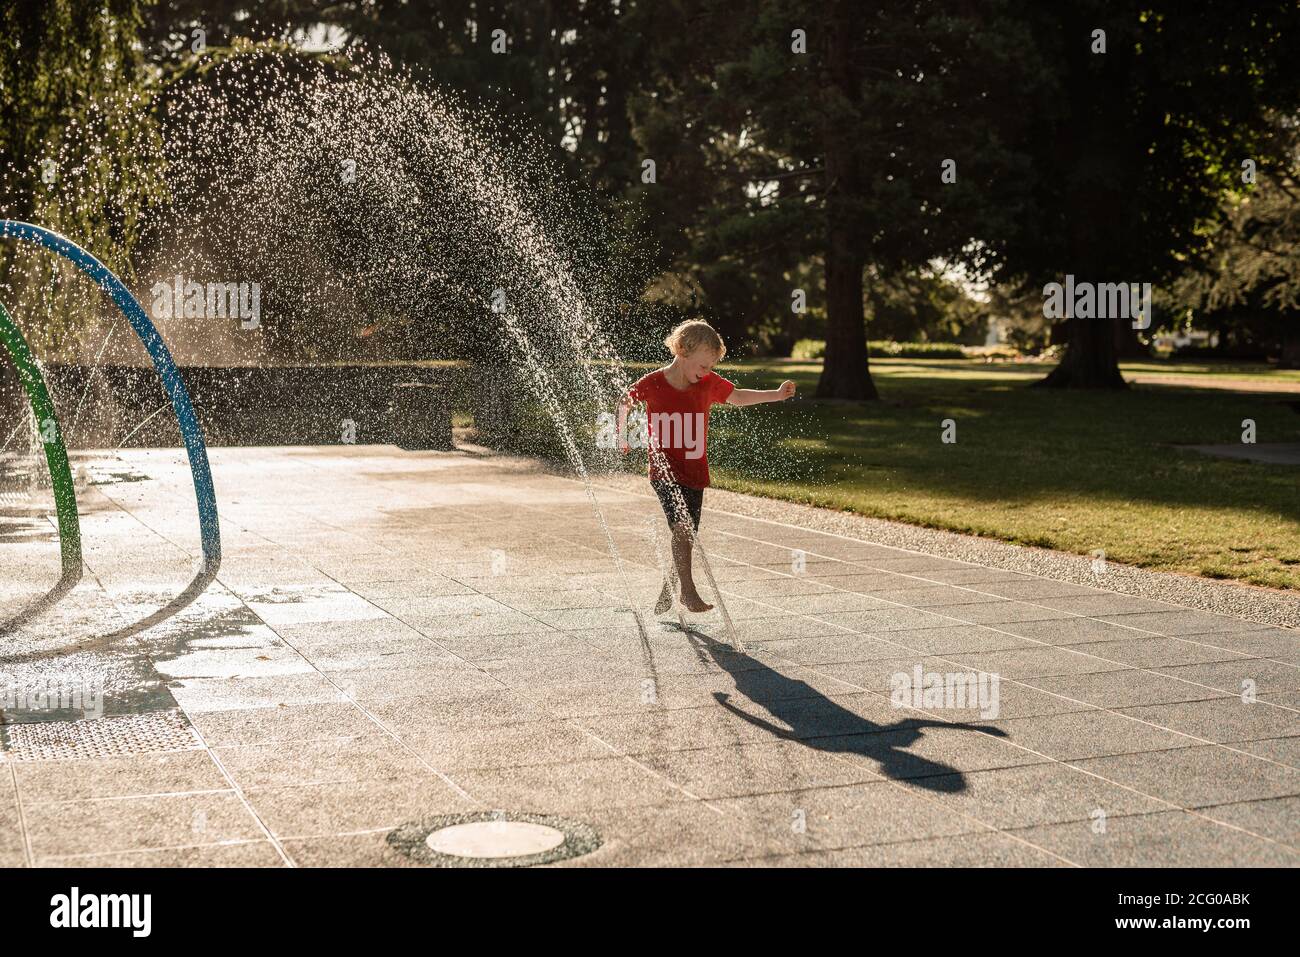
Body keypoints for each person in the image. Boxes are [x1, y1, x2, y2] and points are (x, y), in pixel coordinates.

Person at [619, 319, 795, 613]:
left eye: (711, 367)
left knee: (686, 535)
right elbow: (625, 400)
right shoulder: (654, 383)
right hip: (663, 471)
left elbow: (737, 396)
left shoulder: (708, 384)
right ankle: (688, 593)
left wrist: (775, 395)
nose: (706, 373)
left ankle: (668, 589)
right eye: (703, 366)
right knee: (682, 528)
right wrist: (622, 434)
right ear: (682, 351)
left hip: (696, 473)